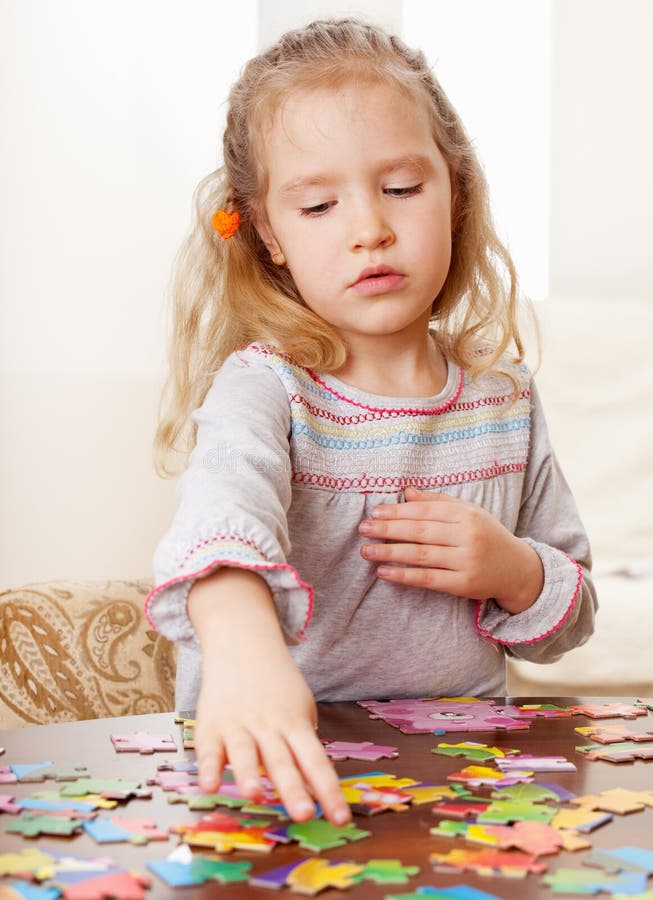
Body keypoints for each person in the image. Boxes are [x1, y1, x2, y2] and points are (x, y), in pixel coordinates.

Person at [146, 18, 597, 829]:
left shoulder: (503, 398)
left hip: (462, 786)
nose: (368, 229)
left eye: (400, 188)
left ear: (454, 191)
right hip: (276, 769)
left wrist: (515, 571)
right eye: (318, 204)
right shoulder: (266, 389)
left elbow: (566, 621)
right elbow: (217, 522)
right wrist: (242, 645)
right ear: (267, 234)